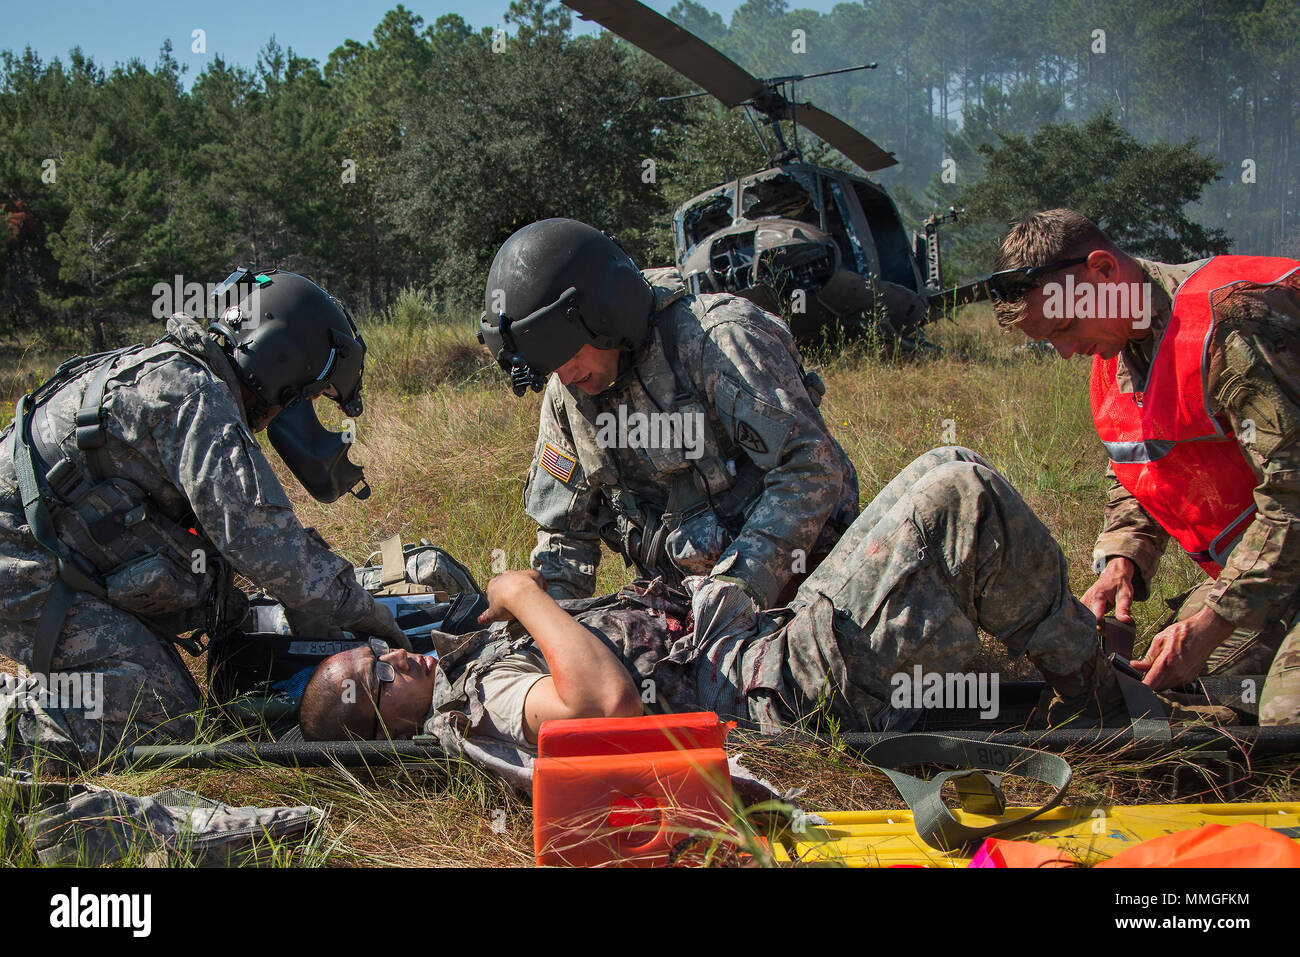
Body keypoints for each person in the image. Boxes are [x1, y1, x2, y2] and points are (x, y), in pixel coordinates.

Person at [300, 447, 1130, 758]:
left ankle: (1081, 661)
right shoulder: (483, 701)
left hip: (772, 639)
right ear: (392, 724)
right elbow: (607, 704)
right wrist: (521, 592)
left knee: (947, 464)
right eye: (379, 682)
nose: (394, 658)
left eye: (374, 654)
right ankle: (1102, 694)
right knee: (959, 493)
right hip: (798, 688)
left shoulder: (466, 660)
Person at [0, 267, 407, 772]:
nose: (287, 413)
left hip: (46, 545)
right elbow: (261, 538)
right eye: (301, 397)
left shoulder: (188, 376)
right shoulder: (191, 395)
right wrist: (363, 611)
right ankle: (15, 721)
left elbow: (227, 531)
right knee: (165, 724)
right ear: (280, 360)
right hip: (23, 565)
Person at [989, 209, 1300, 725]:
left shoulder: (1235, 324)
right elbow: (1143, 471)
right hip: (1276, 576)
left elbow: (1293, 497)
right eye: (1050, 341)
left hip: (1283, 556)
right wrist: (1122, 562)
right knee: (1165, 691)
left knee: (1285, 720)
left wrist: (1212, 620)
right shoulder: (1118, 350)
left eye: (1066, 327)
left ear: (1104, 272)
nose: (1067, 352)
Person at [477, 218, 858, 608]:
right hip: (686, 607)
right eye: (551, 367)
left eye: (570, 356)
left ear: (607, 316)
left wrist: (742, 585)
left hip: (810, 585)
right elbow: (566, 539)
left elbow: (809, 467)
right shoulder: (567, 396)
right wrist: (546, 619)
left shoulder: (718, 340)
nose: (566, 376)